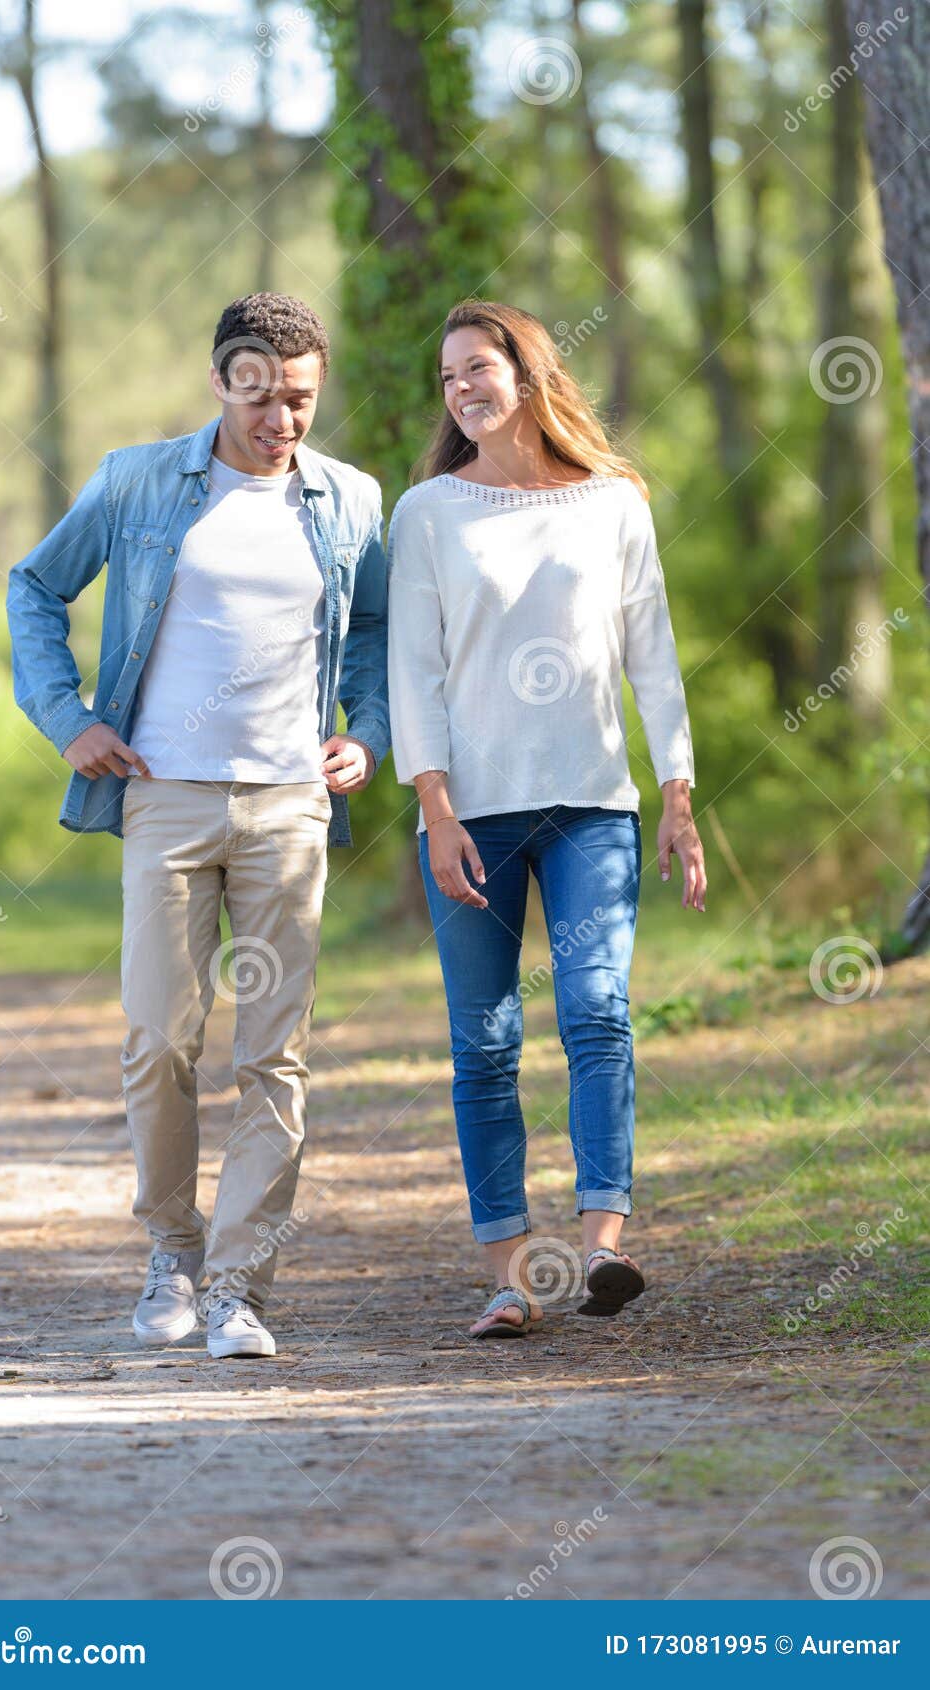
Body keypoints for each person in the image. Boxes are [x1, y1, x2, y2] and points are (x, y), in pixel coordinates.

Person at [7, 293, 389, 1359]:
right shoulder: (136, 480)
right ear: (220, 380)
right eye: (259, 395)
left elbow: (376, 631)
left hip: (289, 807)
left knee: (276, 1055)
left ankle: (237, 1288)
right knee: (159, 1038)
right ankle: (172, 1251)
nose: (281, 420)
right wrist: (69, 718)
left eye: (301, 399)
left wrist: (370, 733)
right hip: (164, 797)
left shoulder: (352, 500)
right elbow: (35, 586)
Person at [387, 299, 705, 1339]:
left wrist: (678, 792)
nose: (461, 389)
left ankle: (604, 1246)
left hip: (592, 807)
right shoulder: (426, 513)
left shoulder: (611, 503)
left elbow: (652, 652)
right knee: (483, 1043)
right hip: (471, 814)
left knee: (598, 1014)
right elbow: (413, 671)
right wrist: (435, 806)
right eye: (448, 377)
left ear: (527, 374)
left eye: (478, 367)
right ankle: (512, 1278)